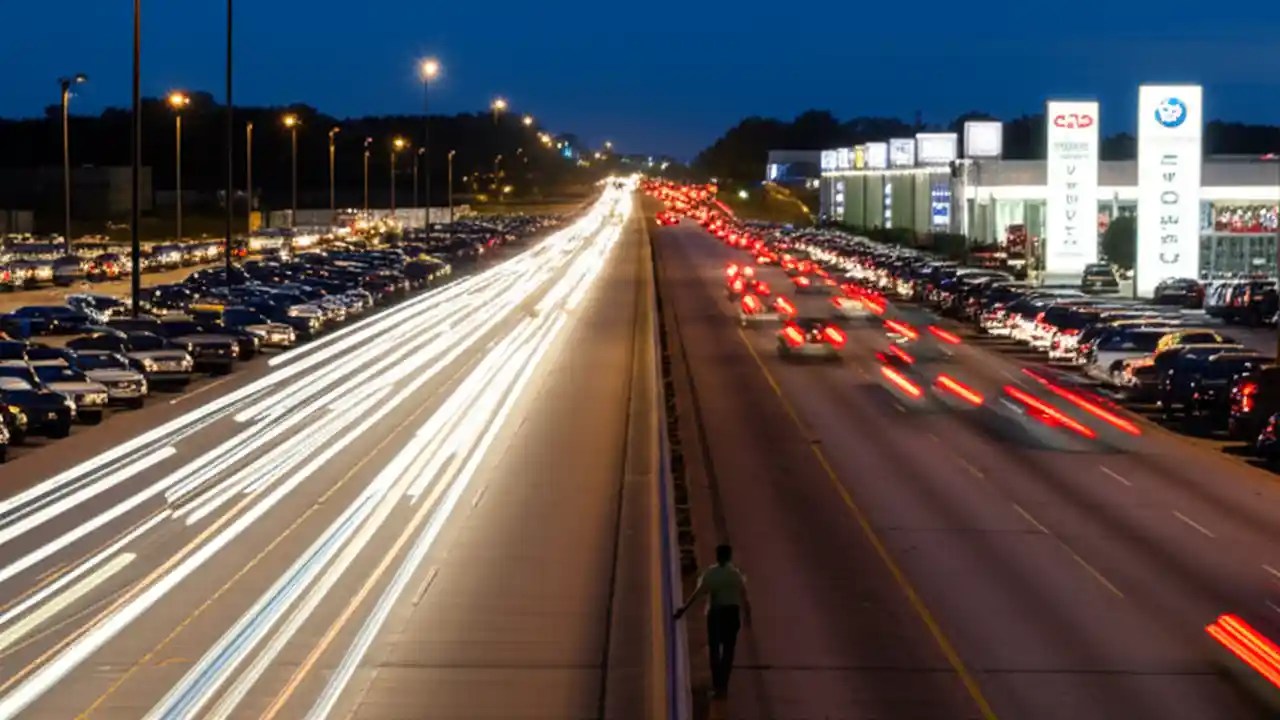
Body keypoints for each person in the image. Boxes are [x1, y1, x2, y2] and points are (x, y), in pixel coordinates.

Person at [673, 543, 751, 698]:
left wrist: (683, 609)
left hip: (716, 614)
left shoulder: (710, 574)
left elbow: (698, 594)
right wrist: (747, 617)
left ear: (717, 556)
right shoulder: (735, 575)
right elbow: (744, 597)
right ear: (729, 556)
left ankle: (717, 685)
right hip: (732, 614)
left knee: (714, 650)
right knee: (729, 650)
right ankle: (724, 685)